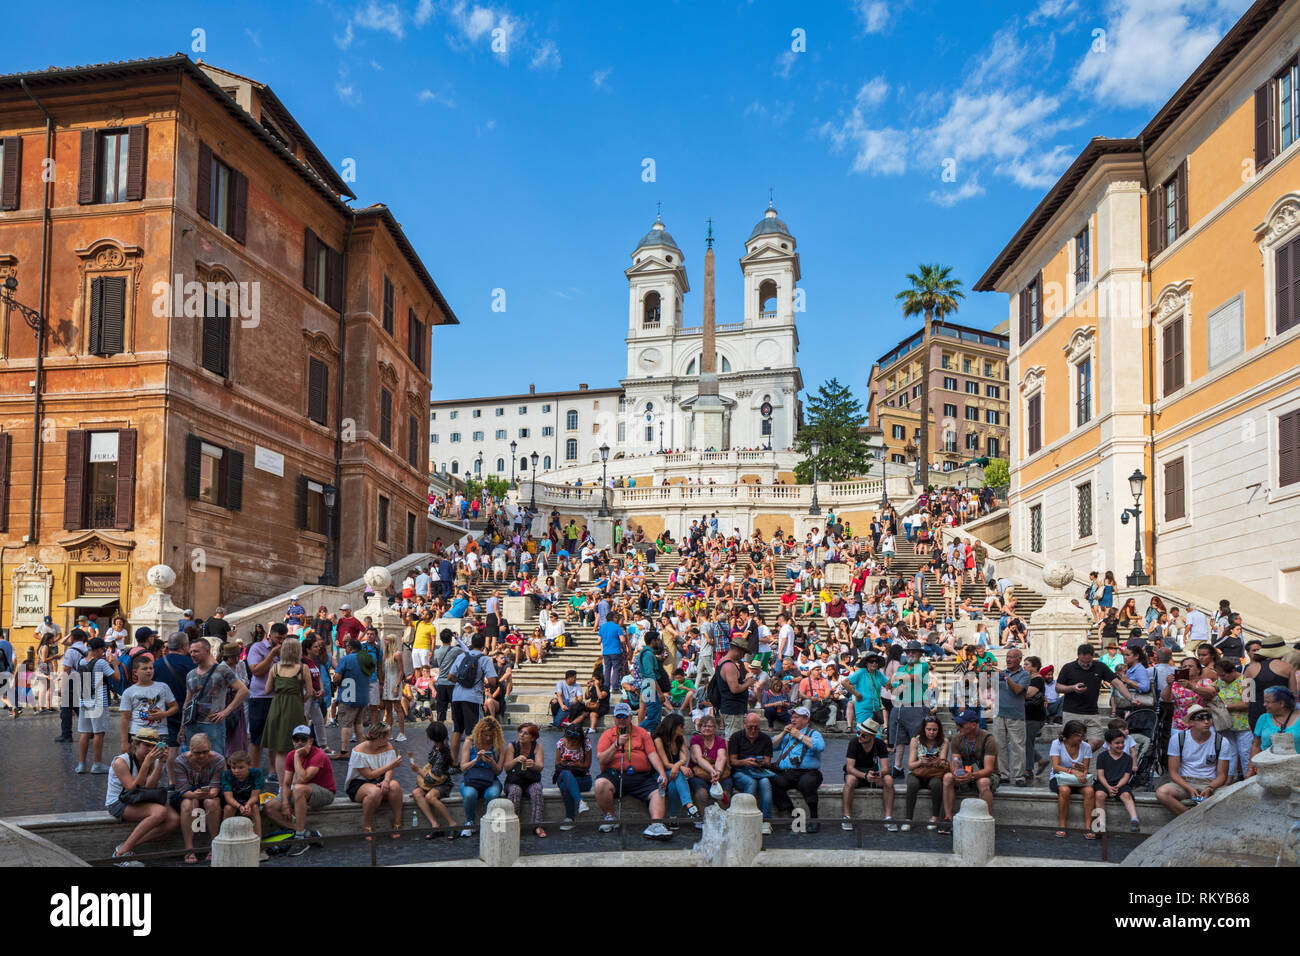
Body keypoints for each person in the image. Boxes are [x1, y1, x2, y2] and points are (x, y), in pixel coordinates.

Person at [593, 701, 671, 840]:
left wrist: (662, 773)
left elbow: (652, 754)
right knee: (600, 784)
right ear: (614, 718)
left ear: (630, 717)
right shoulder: (607, 734)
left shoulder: (642, 733)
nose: (622, 719)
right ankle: (610, 816)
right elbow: (602, 759)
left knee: (659, 790)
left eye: (625, 716)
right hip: (615, 776)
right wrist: (616, 745)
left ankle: (656, 824)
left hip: (641, 777)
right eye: (619, 716)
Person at [105, 728, 181, 864]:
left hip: (140, 798)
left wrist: (161, 763)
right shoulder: (121, 762)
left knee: (174, 820)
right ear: (136, 744)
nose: (150, 749)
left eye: (153, 746)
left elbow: (149, 787)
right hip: (119, 802)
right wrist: (146, 763)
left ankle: (127, 845)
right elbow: (133, 788)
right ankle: (121, 854)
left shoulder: (154, 760)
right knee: (160, 812)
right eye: (146, 745)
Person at [263, 725, 336, 854]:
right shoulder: (290, 755)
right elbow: (286, 783)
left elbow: (303, 778)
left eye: (304, 739)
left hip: (325, 792)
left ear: (311, 741)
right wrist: (285, 803)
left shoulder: (318, 755)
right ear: (292, 740)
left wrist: (297, 756)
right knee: (269, 808)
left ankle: (300, 839)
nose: (300, 742)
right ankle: (306, 833)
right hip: (302, 790)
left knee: (298, 788)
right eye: (296, 739)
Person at [1156, 704, 1231, 816]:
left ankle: (1194, 819)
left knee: (1229, 797)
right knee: (1162, 793)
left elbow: (1222, 776)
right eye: (1201, 718)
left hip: (1210, 782)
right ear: (1191, 723)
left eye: (1208, 717)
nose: (1206, 722)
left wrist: (1210, 788)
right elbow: (1173, 773)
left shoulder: (1222, 742)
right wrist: (1189, 789)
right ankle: (1190, 817)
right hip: (1185, 782)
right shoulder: (1178, 739)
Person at [180, 636, 246, 756]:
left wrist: (226, 711)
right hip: (192, 724)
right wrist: (182, 726)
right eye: (191, 652)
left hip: (213, 725)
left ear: (207, 651)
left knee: (215, 759)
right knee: (193, 760)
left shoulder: (222, 670)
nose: (193, 654)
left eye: (196, 651)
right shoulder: (190, 674)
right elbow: (187, 701)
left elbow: (243, 691)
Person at [262, 637, 311, 786]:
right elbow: (309, 692)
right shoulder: (303, 668)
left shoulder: (275, 668)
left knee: (280, 750)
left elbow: (267, 690)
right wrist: (298, 701)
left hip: (277, 707)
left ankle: (282, 786)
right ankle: (295, 783)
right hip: (294, 707)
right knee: (298, 747)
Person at [171, 731, 226, 864]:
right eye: (197, 753)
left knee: (211, 803)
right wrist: (194, 794)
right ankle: (189, 848)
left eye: (205, 751)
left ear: (210, 748)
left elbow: (216, 786)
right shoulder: (180, 761)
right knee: (188, 804)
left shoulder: (218, 759)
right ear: (191, 749)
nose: (202, 756)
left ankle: (214, 845)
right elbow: (182, 790)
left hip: (209, 795)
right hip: (188, 795)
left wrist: (212, 792)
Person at [770, 706, 826, 832]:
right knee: (769, 778)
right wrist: (783, 733)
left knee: (807, 783)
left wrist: (800, 736)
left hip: (809, 773)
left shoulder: (813, 733)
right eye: (792, 717)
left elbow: (820, 746)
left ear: (806, 719)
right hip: (789, 774)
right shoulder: (788, 735)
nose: (793, 720)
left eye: (796, 717)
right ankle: (793, 813)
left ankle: (814, 819)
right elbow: (771, 746)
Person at [346, 722, 405, 839]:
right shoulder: (359, 751)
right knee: (374, 792)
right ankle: (366, 826)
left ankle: (397, 823)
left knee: (395, 787)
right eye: (388, 735)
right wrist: (389, 766)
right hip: (359, 783)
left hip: (380, 779)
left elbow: (390, 770)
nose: (390, 738)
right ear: (379, 737)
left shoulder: (388, 746)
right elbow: (369, 775)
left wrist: (387, 781)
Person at [942, 709, 998, 829]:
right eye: (957, 723)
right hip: (966, 773)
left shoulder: (988, 739)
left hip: (987, 775)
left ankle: (986, 822)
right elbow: (954, 761)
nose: (957, 727)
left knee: (982, 782)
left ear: (973, 725)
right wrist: (956, 773)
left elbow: (989, 769)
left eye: (961, 724)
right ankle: (947, 819)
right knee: (948, 777)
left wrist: (972, 776)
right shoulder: (957, 738)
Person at [449, 633, 498, 766]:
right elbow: (493, 681)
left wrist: (462, 681)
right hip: (472, 698)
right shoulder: (485, 659)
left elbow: (450, 676)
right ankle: (470, 761)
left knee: (457, 730)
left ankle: (454, 763)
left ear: (471, 643)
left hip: (457, 696)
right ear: (483, 645)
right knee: (473, 731)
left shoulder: (461, 656)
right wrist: (484, 684)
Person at [244, 622, 286, 776]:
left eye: (283, 639)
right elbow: (256, 671)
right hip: (260, 697)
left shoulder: (284, 650)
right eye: (278, 638)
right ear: (270, 635)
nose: (280, 642)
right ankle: (254, 770)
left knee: (275, 737)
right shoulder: (257, 648)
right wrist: (272, 654)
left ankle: (273, 770)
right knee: (257, 737)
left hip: (278, 697)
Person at [1056, 643, 1116, 752]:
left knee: (1097, 740)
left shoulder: (1100, 667)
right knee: (1072, 743)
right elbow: (1058, 688)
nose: (1086, 665)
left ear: (1092, 656)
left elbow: (1116, 682)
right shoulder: (1068, 667)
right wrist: (1073, 688)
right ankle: (1075, 764)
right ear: (1078, 656)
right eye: (1083, 662)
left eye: (1088, 662)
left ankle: (1080, 758)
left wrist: (1130, 698)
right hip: (1072, 712)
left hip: (1092, 712)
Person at [74, 638, 119, 775]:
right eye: (103, 650)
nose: (104, 652)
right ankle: (97, 764)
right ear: (98, 650)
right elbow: (116, 677)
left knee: (85, 733)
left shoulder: (81, 661)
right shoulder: (100, 663)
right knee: (99, 733)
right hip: (99, 701)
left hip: (84, 700)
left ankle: (81, 765)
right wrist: (115, 664)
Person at [842, 717, 896, 830]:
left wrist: (880, 773)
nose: (860, 737)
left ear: (872, 736)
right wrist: (865, 776)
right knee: (850, 780)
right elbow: (849, 768)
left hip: (873, 774)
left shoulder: (880, 744)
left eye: (863, 735)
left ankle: (888, 818)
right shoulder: (854, 743)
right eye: (858, 733)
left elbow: (886, 768)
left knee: (889, 780)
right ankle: (846, 817)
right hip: (857, 774)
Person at [408, 721, 457, 839]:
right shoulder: (438, 746)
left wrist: (417, 769)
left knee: (430, 797)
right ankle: (435, 824)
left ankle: (453, 825)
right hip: (435, 783)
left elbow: (430, 779)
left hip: (443, 784)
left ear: (432, 737)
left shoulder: (441, 753)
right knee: (416, 793)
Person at [728, 712, 775, 834]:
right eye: (750, 727)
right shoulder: (736, 737)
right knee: (751, 782)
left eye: (756, 727)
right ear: (744, 724)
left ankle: (766, 820)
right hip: (740, 770)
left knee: (765, 782)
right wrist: (745, 762)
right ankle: (747, 817)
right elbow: (732, 761)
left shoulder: (765, 739)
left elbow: (767, 761)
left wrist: (761, 763)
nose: (753, 730)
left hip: (759, 771)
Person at [1049, 720, 1096, 839]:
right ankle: (1062, 826)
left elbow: (1085, 768)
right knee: (1065, 790)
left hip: (1078, 778)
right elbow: (1056, 767)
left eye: (1084, 735)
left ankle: (1088, 827)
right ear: (1071, 735)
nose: (1083, 738)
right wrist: (1072, 770)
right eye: (1080, 735)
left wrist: (1082, 771)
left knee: (1090, 791)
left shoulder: (1086, 747)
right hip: (1059, 777)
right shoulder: (1057, 744)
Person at [459, 716, 505, 837]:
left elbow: (499, 771)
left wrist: (491, 762)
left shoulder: (499, 746)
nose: (488, 738)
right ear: (479, 732)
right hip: (471, 779)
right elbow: (463, 767)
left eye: (491, 735)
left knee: (493, 795)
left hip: (491, 779)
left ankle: (489, 823)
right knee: (469, 795)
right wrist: (476, 759)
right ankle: (469, 822)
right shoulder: (469, 742)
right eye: (485, 735)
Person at [992, 648, 1030, 786]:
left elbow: (1018, 690)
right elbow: (989, 687)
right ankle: (1004, 774)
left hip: (1016, 715)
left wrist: (1005, 677)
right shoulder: (1001, 672)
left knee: (1018, 747)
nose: (1008, 659)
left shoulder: (1024, 675)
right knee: (999, 746)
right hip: (999, 714)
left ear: (1019, 659)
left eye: (1012, 657)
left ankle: (1020, 776)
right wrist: (986, 673)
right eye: (1007, 657)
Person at [1211, 657, 1253, 781]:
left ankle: (1247, 780)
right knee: (1229, 753)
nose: (1221, 678)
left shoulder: (1247, 681)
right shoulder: (1220, 681)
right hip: (1226, 724)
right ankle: (1228, 780)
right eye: (1219, 675)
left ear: (1233, 671)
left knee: (1245, 752)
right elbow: (1212, 690)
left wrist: (1224, 707)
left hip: (1243, 724)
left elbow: (1248, 704)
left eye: (1223, 675)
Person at [905, 715, 948, 830]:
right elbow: (910, 765)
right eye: (929, 729)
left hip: (934, 773)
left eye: (935, 730)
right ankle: (908, 819)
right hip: (917, 773)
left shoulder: (944, 741)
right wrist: (921, 762)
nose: (931, 732)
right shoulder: (915, 740)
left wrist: (938, 761)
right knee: (912, 785)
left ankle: (934, 818)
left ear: (939, 730)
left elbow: (944, 763)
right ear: (923, 729)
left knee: (937, 784)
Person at [504, 722, 547, 838]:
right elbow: (506, 767)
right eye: (520, 732)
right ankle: (513, 825)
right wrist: (516, 760)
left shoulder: (538, 747)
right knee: (514, 791)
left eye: (525, 733)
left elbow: (540, 767)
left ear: (532, 738)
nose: (521, 735)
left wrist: (533, 764)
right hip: (514, 781)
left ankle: (537, 825)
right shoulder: (511, 746)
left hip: (530, 781)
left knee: (537, 789)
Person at [1094, 728, 1141, 833]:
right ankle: (1101, 823)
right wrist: (1108, 787)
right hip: (1104, 783)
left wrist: (1117, 787)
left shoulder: (1127, 758)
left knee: (1126, 795)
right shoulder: (1102, 756)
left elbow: (1126, 776)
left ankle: (1134, 819)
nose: (1121, 745)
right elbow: (1100, 775)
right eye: (1117, 743)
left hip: (1120, 783)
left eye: (1122, 742)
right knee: (1099, 795)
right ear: (1108, 743)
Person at [220, 750, 266, 852]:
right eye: (233, 768)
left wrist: (248, 805)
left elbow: (255, 796)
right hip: (234, 801)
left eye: (241, 767)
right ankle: (225, 840)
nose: (236, 771)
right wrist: (240, 807)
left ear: (249, 765)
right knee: (228, 808)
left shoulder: (256, 773)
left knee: (254, 808)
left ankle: (258, 844)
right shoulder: (226, 775)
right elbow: (228, 798)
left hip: (250, 800)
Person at [1248, 687, 1300, 774]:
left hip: (1295, 770)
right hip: (1268, 770)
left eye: (1268, 702)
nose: (1264, 704)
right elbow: (1256, 746)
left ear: (1281, 703)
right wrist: (1250, 769)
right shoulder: (1263, 719)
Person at [688, 713, 732, 811]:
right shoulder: (696, 739)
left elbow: (721, 758)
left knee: (725, 793)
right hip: (699, 773)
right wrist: (712, 771)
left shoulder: (720, 741)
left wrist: (718, 773)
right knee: (701, 794)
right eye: (704, 726)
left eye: (710, 726)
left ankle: (721, 819)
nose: (707, 728)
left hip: (720, 773)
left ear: (715, 728)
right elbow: (699, 758)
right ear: (700, 727)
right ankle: (704, 820)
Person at [554, 722, 594, 830]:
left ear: (580, 739)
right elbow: (557, 764)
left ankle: (570, 818)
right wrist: (564, 762)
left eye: (574, 741)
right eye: (569, 740)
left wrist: (577, 764)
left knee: (564, 786)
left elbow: (587, 765)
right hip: (564, 774)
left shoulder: (586, 743)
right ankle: (580, 801)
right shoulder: (561, 743)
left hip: (583, 778)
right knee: (566, 773)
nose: (571, 742)